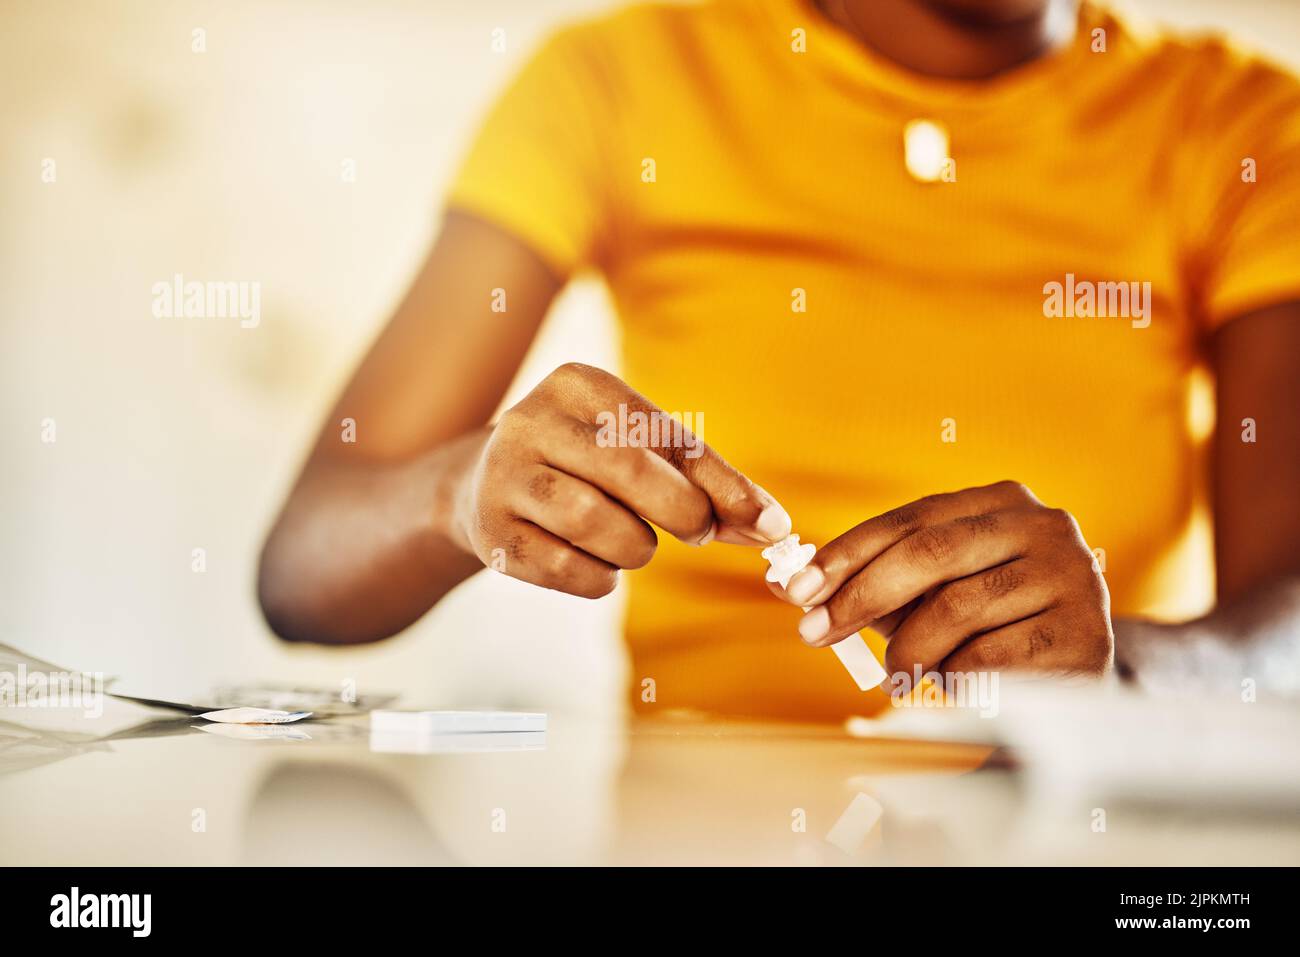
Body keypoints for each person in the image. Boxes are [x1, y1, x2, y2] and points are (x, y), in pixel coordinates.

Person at [257, 0, 1300, 720]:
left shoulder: (1241, 131)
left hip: (1079, 830)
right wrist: (460, 490)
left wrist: (1129, 673)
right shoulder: (619, 83)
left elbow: (1284, 630)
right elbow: (301, 573)